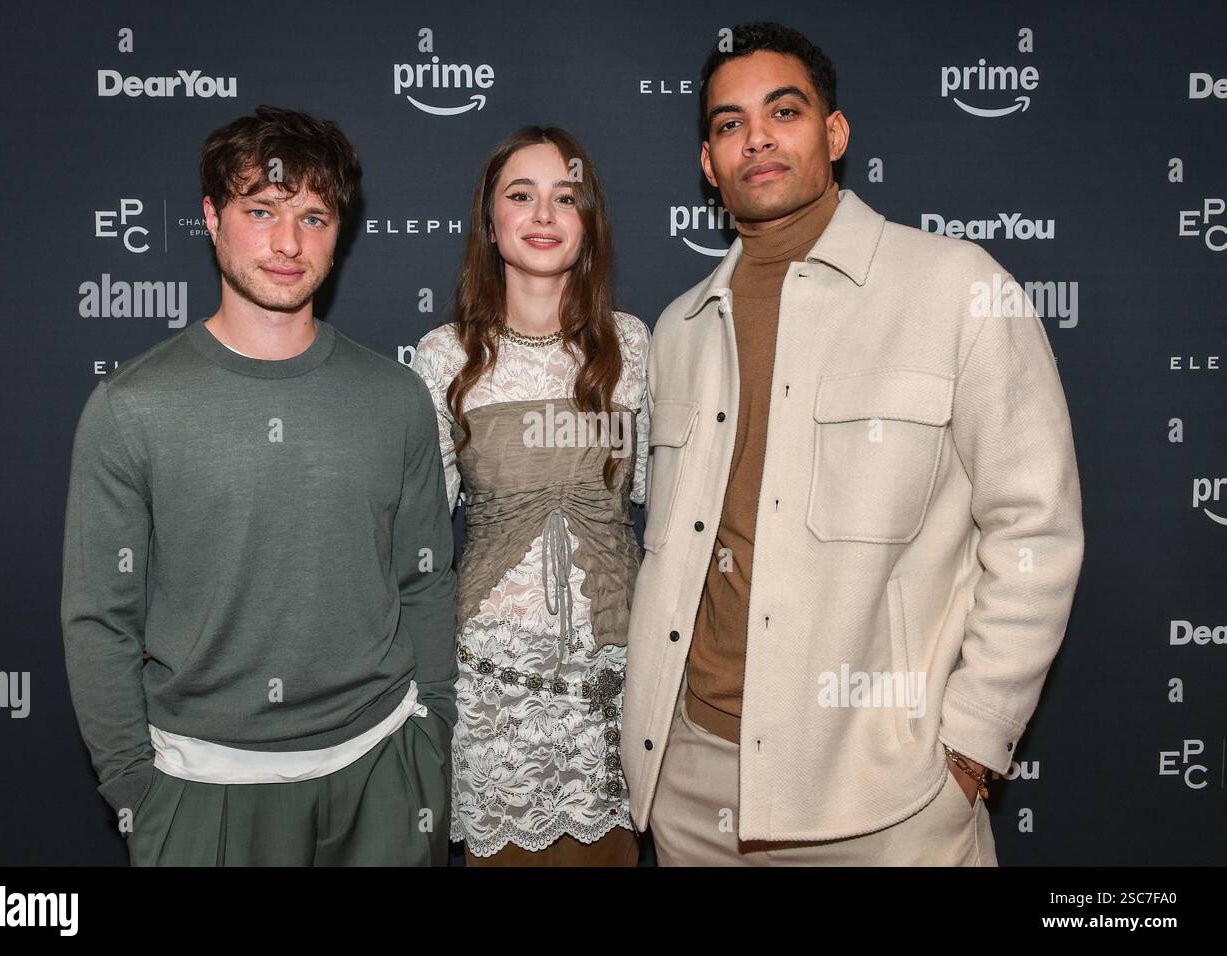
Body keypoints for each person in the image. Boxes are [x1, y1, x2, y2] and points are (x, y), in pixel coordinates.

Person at [621, 23, 1084, 865]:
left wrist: (973, 745)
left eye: (783, 111)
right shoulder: (680, 329)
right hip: (692, 790)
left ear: (834, 135)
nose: (755, 137)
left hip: (885, 805)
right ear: (708, 162)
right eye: (728, 124)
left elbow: (1036, 529)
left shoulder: (957, 287)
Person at [61, 105, 457, 866]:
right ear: (212, 217)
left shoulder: (395, 396)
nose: (287, 242)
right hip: (200, 790)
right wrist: (135, 789)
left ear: (339, 231)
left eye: (313, 216)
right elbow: (100, 619)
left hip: (385, 774)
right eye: (261, 211)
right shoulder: (131, 407)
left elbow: (425, 581)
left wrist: (429, 733)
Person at [411, 126, 649, 866]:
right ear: (491, 224)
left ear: (589, 223)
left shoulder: (632, 346)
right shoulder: (446, 355)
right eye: (522, 196)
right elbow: (418, 535)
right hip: (493, 692)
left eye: (565, 197)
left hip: (615, 687)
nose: (544, 214)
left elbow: (667, 513)